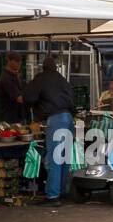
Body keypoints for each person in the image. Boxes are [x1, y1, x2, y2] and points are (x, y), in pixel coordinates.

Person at [25, 56, 76, 206]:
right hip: (69, 118)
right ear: (55, 67)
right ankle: (63, 190)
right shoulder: (62, 79)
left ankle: (53, 196)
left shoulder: (41, 79)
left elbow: (29, 97)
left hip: (56, 119)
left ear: (43, 67)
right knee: (65, 157)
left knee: (54, 159)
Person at [0, 53, 28, 124]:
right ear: (9, 61)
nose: (19, 64)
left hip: (17, 116)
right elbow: (18, 98)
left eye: (20, 62)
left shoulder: (15, 75)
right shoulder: (6, 78)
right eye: (16, 61)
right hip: (10, 119)